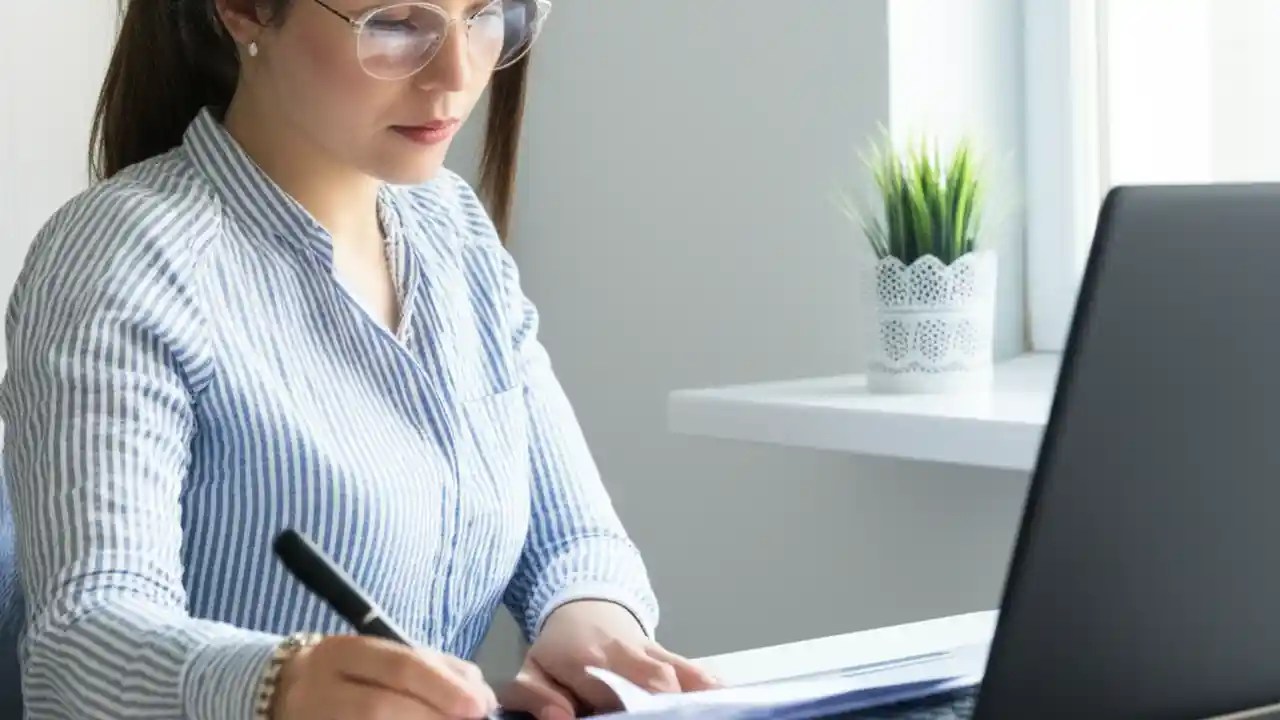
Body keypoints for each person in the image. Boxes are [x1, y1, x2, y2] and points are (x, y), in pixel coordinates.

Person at [0, 0, 718, 718]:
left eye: (486, 14)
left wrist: (592, 621)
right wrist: (273, 685)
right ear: (245, 11)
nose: (456, 75)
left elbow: (575, 539)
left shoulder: (451, 230)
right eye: (395, 24)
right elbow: (77, 647)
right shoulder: (124, 257)